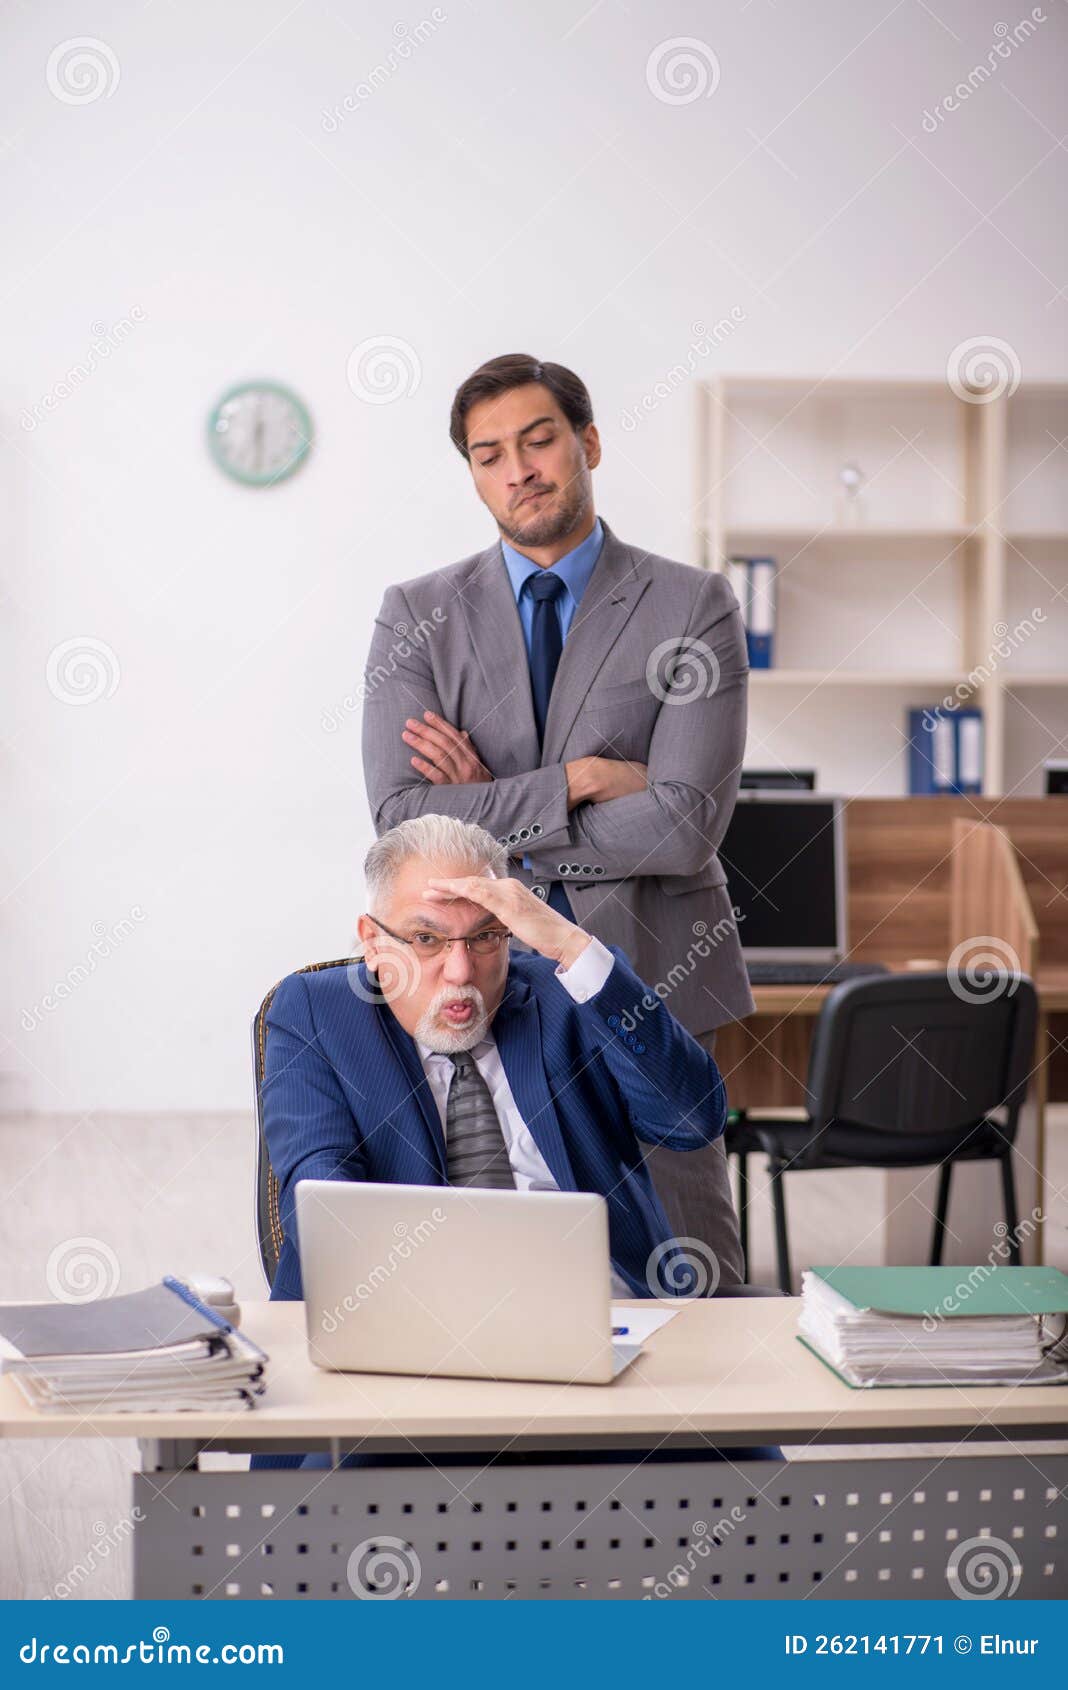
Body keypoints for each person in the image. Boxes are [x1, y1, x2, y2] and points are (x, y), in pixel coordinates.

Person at [361, 352, 754, 1281]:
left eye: (539, 441)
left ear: (587, 443)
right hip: (480, 974)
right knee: (488, 1269)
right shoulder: (416, 613)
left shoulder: (692, 603)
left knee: (690, 1267)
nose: (519, 470)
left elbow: (686, 824)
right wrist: (575, 779)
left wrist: (487, 803)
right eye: (489, 454)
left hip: (651, 974)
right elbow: (400, 817)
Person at [250, 814, 749, 1472]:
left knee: (742, 1473)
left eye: (485, 937)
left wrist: (574, 949)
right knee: (337, 1494)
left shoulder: (567, 992)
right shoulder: (316, 1012)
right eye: (426, 939)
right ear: (372, 941)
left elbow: (692, 1121)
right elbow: (324, 1205)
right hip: (402, 1351)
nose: (460, 970)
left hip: (602, 1333)